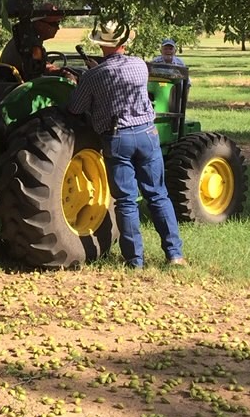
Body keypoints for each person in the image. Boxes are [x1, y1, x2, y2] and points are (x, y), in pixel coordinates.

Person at [67, 21, 185, 268]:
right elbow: (118, 76)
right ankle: (174, 254)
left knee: (126, 201)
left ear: (101, 45)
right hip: (147, 133)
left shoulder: (93, 76)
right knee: (158, 195)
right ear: (124, 43)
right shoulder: (140, 65)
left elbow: (75, 108)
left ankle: (135, 260)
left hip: (117, 137)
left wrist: (84, 79)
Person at [0, 4, 63, 79]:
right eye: (55, 24)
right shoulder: (29, 44)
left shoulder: (21, 39)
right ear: (39, 24)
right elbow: (37, 68)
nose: (57, 28)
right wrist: (63, 72)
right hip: (21, 85)